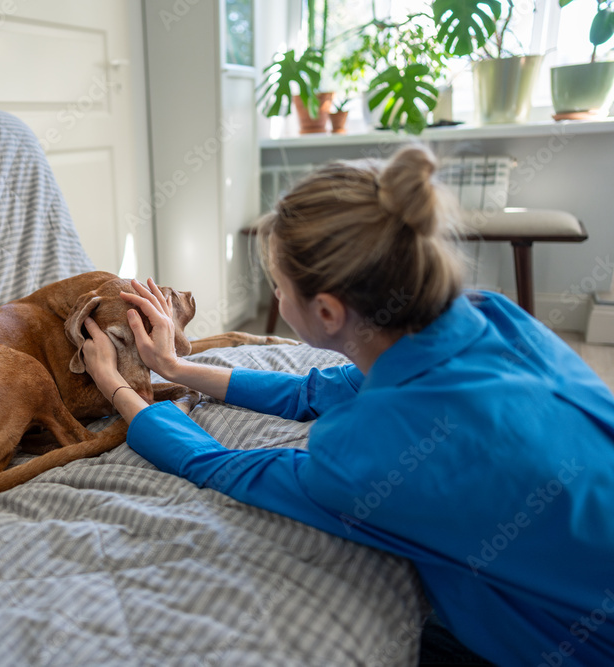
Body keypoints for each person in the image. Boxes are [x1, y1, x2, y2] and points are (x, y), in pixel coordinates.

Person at [80, 144, 614, 665]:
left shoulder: (374, 446)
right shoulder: (490, 315)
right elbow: (316, 391)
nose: (277, 300)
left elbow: (221, 467)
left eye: (278, 288)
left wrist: (115, 384)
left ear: (329, 312)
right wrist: (174, 367)